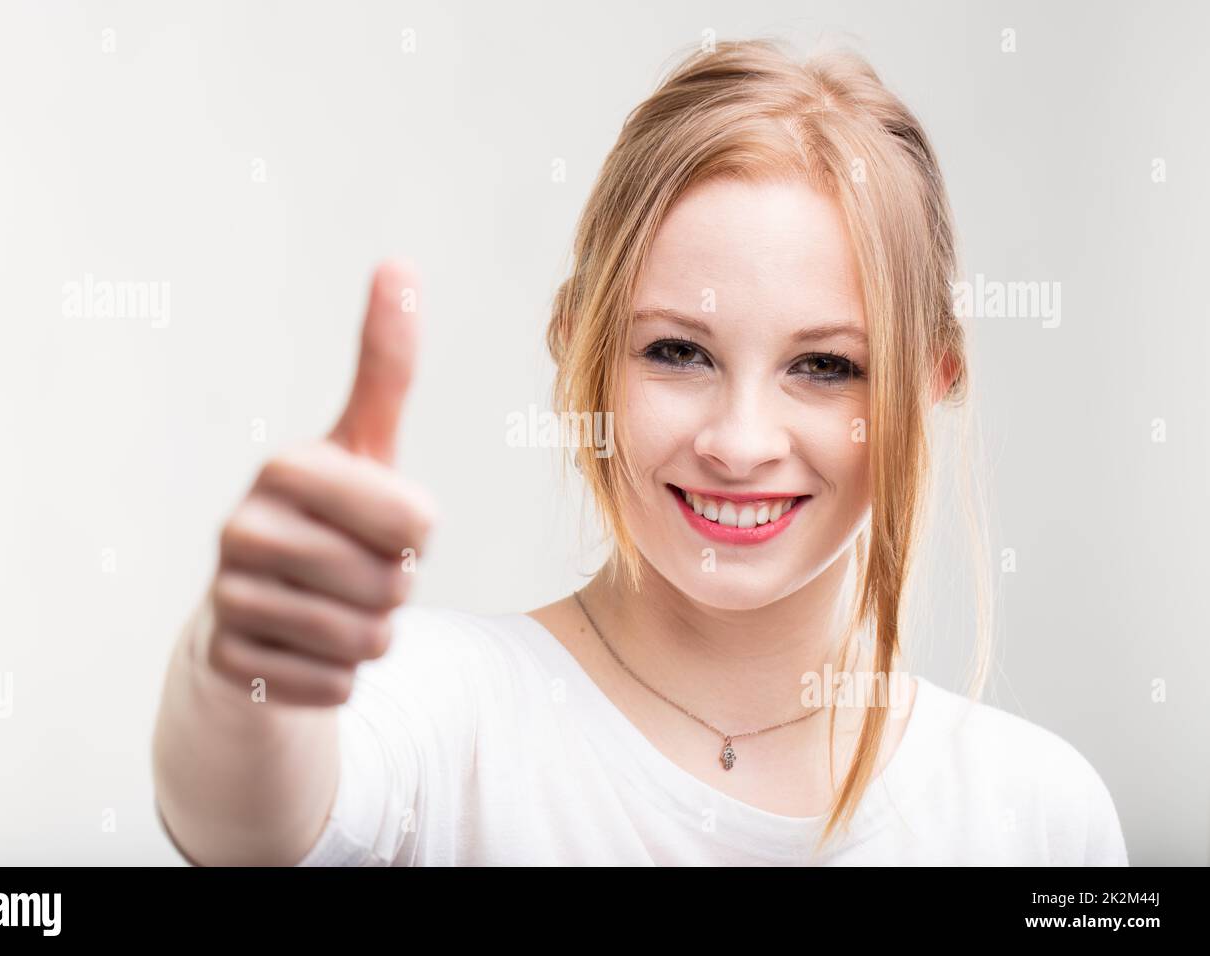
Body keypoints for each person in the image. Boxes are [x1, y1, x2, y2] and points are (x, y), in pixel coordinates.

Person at [151, 38, 1128, 866]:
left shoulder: (1039, 813)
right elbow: (243, 823)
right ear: (578, 345)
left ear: (929, 381)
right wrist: (239, 662)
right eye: (677, 351)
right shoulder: (442, 707)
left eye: (825, 365)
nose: (740, 442)